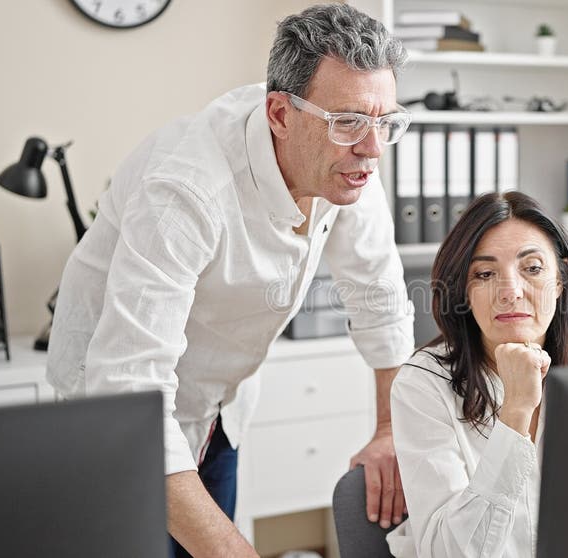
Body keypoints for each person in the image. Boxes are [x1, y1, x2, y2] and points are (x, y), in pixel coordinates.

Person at [46, 4, 414, 557]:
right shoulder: (185, 191)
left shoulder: (346, 162)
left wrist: (389, 430)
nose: (372, 148)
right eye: (349, 122)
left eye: (385, 122)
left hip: (218, 407)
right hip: (115, 414)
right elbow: (129, 391)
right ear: (281, 115)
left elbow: (380, 297)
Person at [385, 191, 568, 557]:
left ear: (560, 281)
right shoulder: (422, 384)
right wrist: (516, 413)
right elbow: (450, 552)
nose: (510, 291)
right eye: (485, 273)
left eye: (533, 268)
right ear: (465, 290)